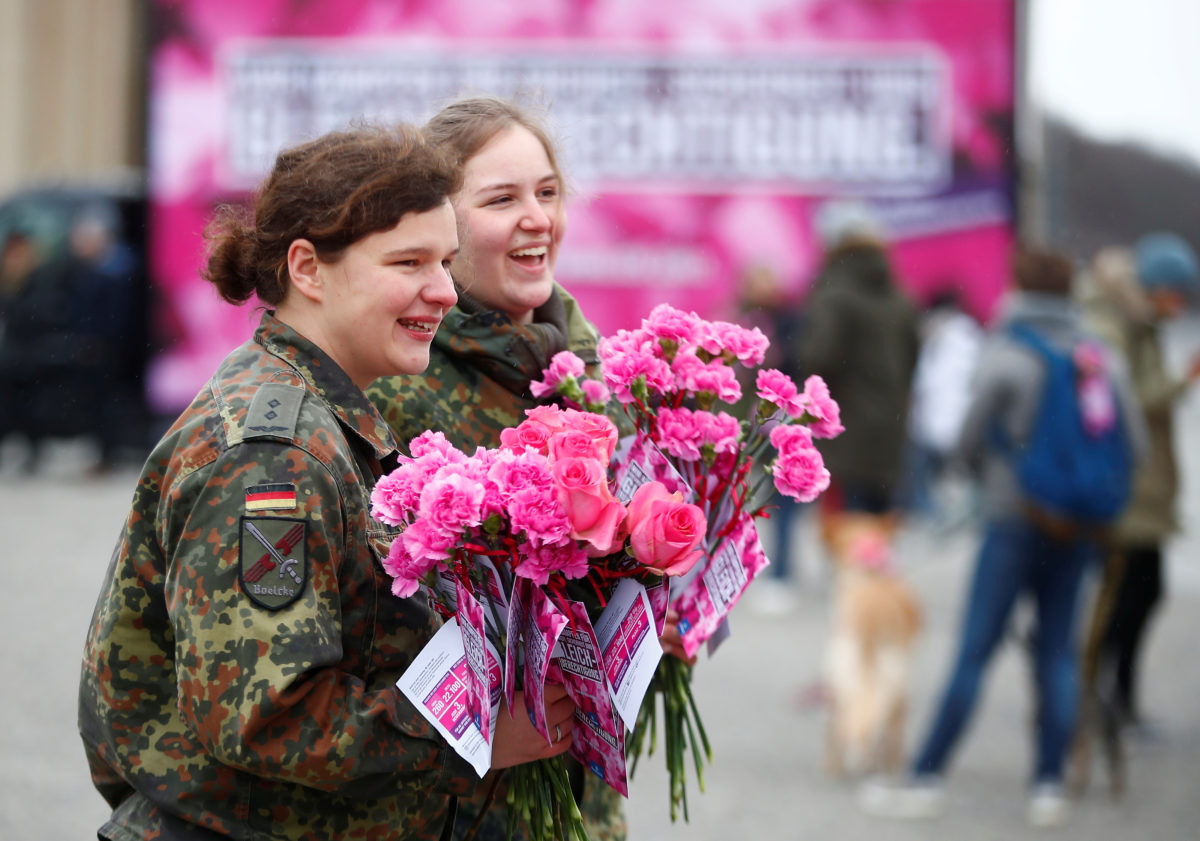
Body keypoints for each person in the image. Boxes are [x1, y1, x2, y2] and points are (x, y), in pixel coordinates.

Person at [77, 124, 576, 841]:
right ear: (308, 269)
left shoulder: (325, 417)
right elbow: (269, 715)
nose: (441, 290)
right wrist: (478, 731)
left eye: (444, 260)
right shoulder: (275, 455)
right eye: (408, 262)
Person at [369, 96, 692, 841]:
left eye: (547, 192)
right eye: (502, 198)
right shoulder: (397, 380)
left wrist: (656, 624)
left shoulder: (595, 370)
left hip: (576, 798)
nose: (538, 217)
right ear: (439, 224)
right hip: (450, 806)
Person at [859, 248, 1145, 828]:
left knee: (975, 651)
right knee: (1058, 653)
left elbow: (967, 440)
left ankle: (926, 777)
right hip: (1082, 526)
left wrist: (986, 478)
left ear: (1019, 288)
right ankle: (1047, 786)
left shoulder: (1010, 352)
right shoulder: (1099, 356)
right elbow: (1133, 446)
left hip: (1014, 522)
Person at [1078, 234, 1200, 734]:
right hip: (1121, 487)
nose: (1180, 308)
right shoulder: (1109, 321)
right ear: (1154, 288)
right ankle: (1100, 702)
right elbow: (1122, 399)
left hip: (1140, 488)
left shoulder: (1139, 319)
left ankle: (1116, 701)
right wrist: (1184, 381)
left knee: (1142, 593)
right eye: (1176, 296)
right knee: (1124, 596)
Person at [797, 200, 921, 537]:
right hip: (889, 437)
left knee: (846, 541)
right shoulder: (900, 297)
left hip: (845, 440)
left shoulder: (835, 294)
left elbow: (819, 359)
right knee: (876, 543)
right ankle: (876, 589)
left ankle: (855, 591)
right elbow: (913, 361)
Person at [901, 287, 984, 526]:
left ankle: (932, 515)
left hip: (935, 420)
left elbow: (925, 379)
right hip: (960, 418)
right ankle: (948, 515)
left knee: (925, 472)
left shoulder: (938, 336)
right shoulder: (972, 335)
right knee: (953, 473)